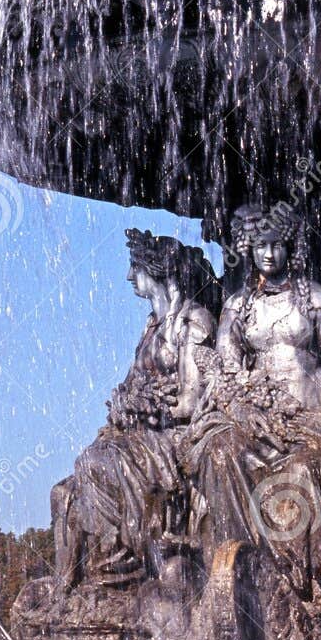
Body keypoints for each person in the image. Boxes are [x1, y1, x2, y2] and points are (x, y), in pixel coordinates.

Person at [183, 206, 321, 621]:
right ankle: (241, 567)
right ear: (247, 249)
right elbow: (224, 370)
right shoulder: (237, 307)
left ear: (291, 246)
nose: (267, 254)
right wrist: (240, 406)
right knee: (220, 450)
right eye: (258, 246)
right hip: (256, 414)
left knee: (303, 469)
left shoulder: (318, 299)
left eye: (275, 244)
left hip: (312, 413)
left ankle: (310, 584)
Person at [52, 230, 221, 592]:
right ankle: (67, 590)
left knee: (95, 463)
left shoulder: (193, 322)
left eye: (136, 268)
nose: (130, 277)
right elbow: (132, 388)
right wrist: (125, 404)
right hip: (142, 434)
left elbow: (191, 402)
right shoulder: (151, 327)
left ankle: (119, 566)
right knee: (63, 493)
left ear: (158, 271)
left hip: (173, 436)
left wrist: (145, 407)